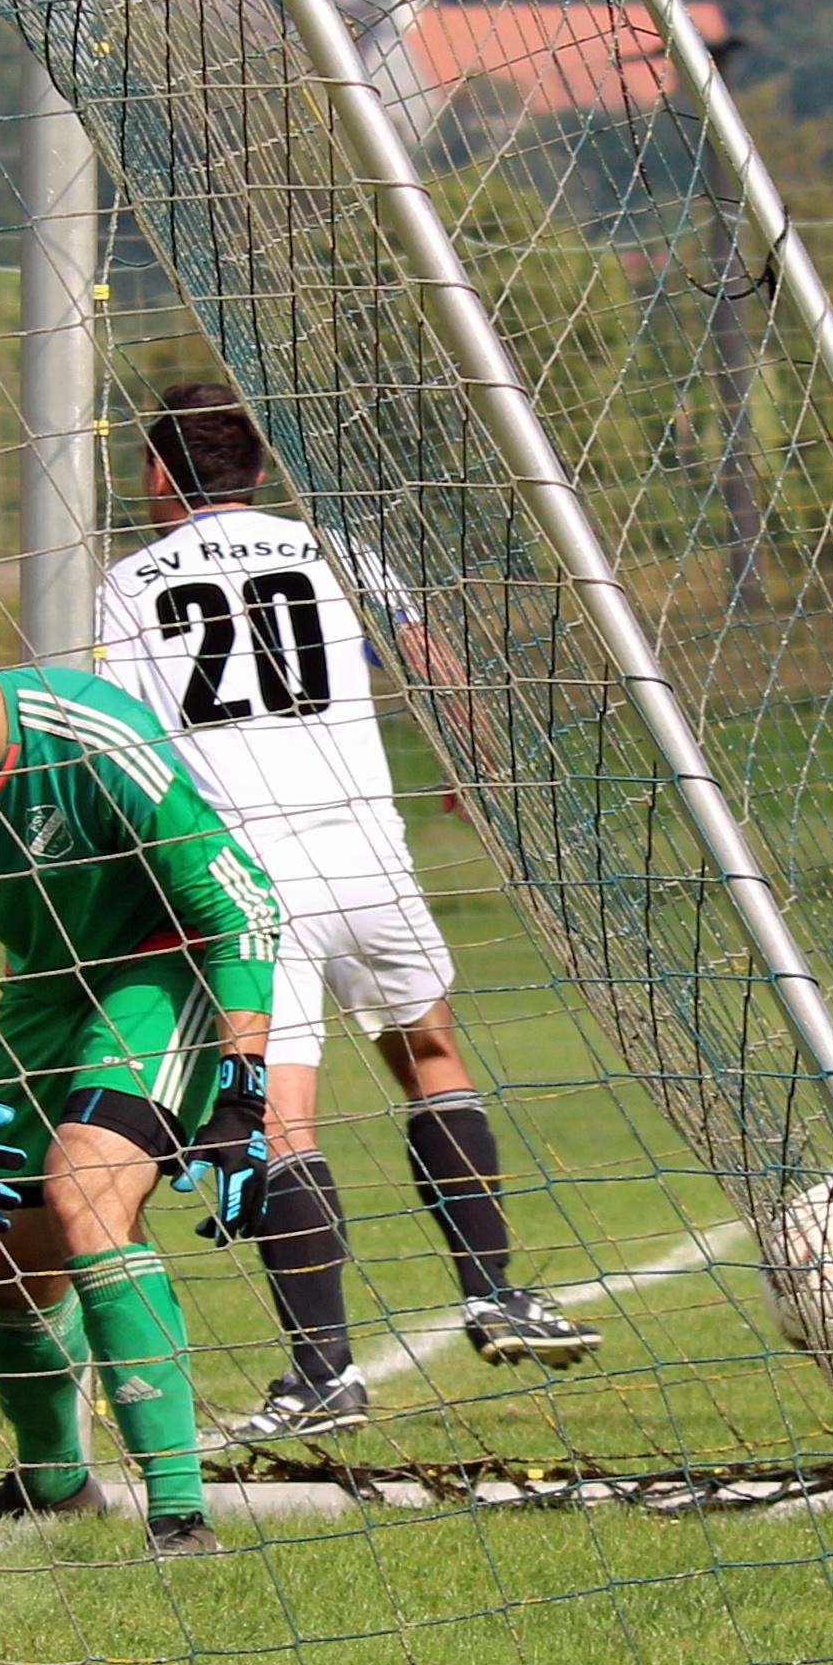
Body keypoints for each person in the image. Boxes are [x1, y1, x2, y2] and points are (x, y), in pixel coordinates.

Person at [95, 384, 594, 1448]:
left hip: (246, 874)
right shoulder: (337, 547)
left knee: (282, 1115)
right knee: (428, 1048)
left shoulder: (128, 584)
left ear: (155, 476)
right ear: (256, 469)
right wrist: (475, 760)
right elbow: (429, 658)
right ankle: (491, 1290)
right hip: (368, 850)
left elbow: (122, 741)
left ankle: (322, 1369)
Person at [0, 534, 282, 1554]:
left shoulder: (87, 728)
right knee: (12, 1258)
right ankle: (52, 1482)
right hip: (43, 988)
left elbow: (236, 903)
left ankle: (177, 1512)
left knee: (84, 1196)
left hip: (162, 961)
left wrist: (244, 1087)